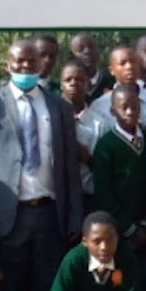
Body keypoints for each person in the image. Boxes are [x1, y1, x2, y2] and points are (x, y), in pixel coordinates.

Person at [0, 39, 84, 291]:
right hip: (8, 216)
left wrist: (74, 216)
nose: (24, 66)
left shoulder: (57, 105)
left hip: (49, 213)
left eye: (30, 61)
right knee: (10, 288)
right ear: (7, 64)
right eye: (18, 61)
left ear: (41, 65)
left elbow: (70, 166)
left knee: (46, 289)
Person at [92, 85, 146, 256]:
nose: (130, 112)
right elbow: (105, 195)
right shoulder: (106, 147)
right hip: (121, 229)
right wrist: (131, 229)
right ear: (113, 112)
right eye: (124, 108)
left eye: (134, 107)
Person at [61, 60, 108, 209]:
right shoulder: (51, 118)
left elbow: (107, 168)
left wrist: (89, 159)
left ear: (88, 84)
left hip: (89, 198)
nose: (74, 83)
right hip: (59, 199)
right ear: (61, 85)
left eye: (80, 79)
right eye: (68, 80)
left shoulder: (100, 124)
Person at [88, 46, 146, 128]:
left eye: (133, 62)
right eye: (122, 63)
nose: (129, 67)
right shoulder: (99, 106)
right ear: (111, 70)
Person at [70, 33, 114, 103]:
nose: (87, 51)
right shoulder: (68, 86)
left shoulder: (112, 81)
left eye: (92, 47)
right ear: (72, 56)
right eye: (80, 49)